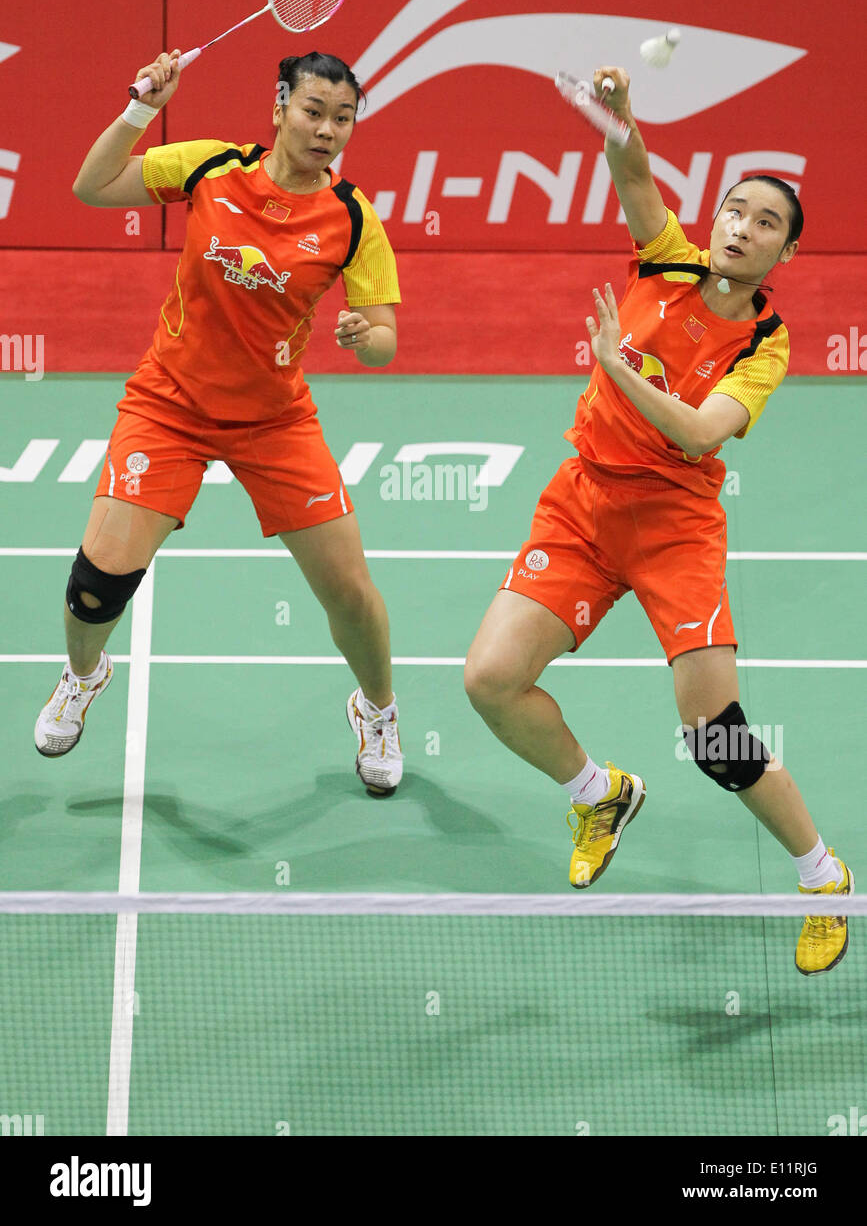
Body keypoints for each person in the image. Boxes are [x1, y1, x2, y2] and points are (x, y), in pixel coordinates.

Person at [464, 64, 852, 975]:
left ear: (784, 255)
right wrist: (622, 118)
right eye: (734, 210)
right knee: (489, 679)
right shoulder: (666, 259)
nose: (742, 229)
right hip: (583, 504)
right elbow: (632, 174)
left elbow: (693, 434)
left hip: (674, 525)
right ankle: (599, 793)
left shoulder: (765, 342)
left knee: (714, 737)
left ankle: (823, 873)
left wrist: (616, 367)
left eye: (766, 224)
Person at [35, 48, 404, 798]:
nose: (327, 129)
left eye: (342, 118)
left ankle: (377, 708)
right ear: (278, 109)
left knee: (350, 593)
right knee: (95, 586)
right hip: (170, 402)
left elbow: (385, 335)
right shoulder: (211, 169)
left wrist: (369, 339)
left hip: (273, 419)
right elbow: (92, 185)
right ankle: (83, 675)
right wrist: (141, 105)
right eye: (313, 111)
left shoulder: (352, 219)